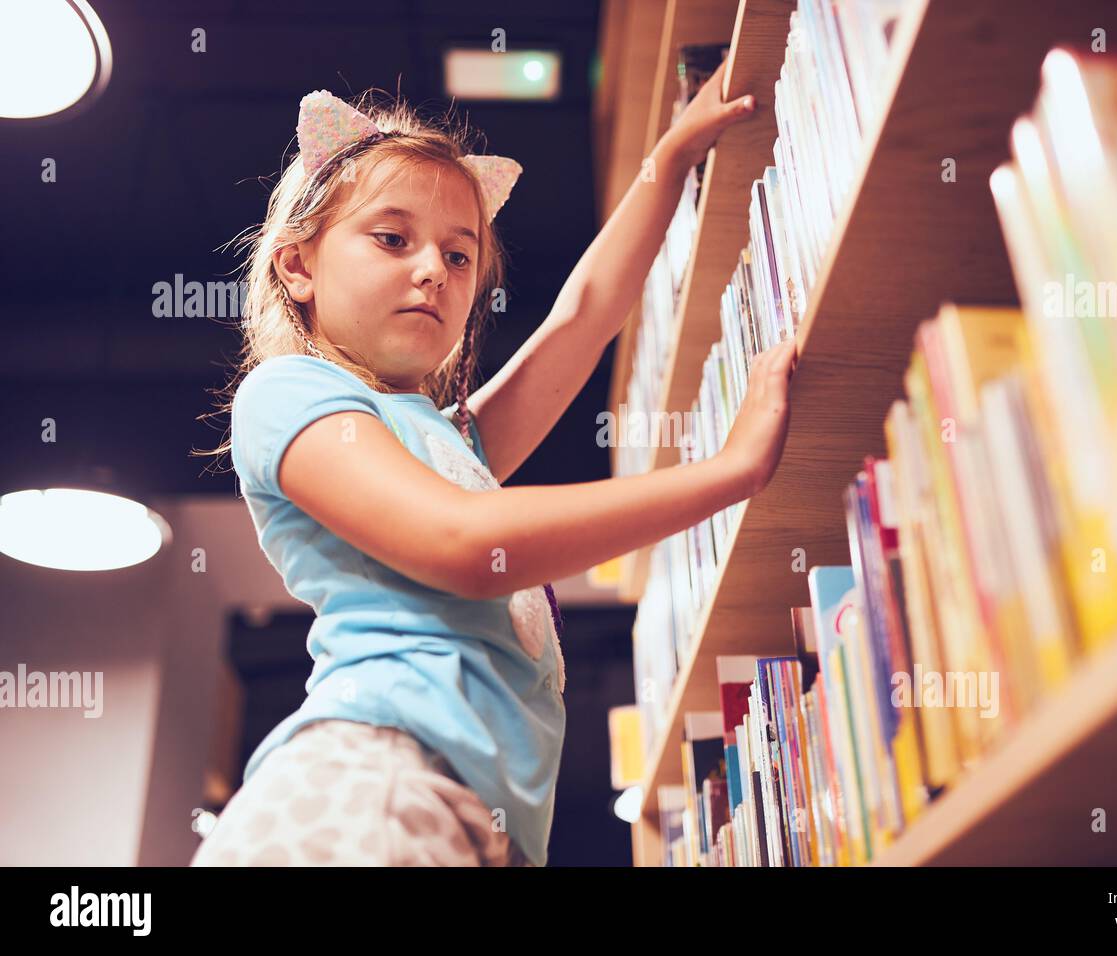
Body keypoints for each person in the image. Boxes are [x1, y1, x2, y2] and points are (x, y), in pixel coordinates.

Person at [190, 60, 798, 867]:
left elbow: (579, 322)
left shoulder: (450, 445)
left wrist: (672, 161)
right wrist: (729, 473)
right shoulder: (289, 390)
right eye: (392, 238)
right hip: (375, 781)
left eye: (461, 255)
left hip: (466, 816)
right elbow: (469, 545)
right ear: (297, 266)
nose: (433, 269)